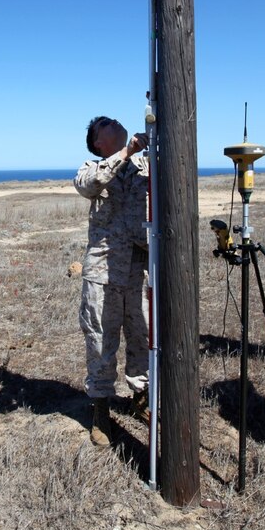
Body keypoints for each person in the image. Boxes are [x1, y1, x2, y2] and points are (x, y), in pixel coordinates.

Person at [74, 116, 150, 447]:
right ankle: (101, 407)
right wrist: (125, 154)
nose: (114, 121)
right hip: (104, 270)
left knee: (143, 334)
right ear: (98, 142)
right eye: (105, 123)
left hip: (140, 269)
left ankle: (141, 396)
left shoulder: (146, 163)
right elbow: (88, 186)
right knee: (101, 340)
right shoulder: (91, 166)